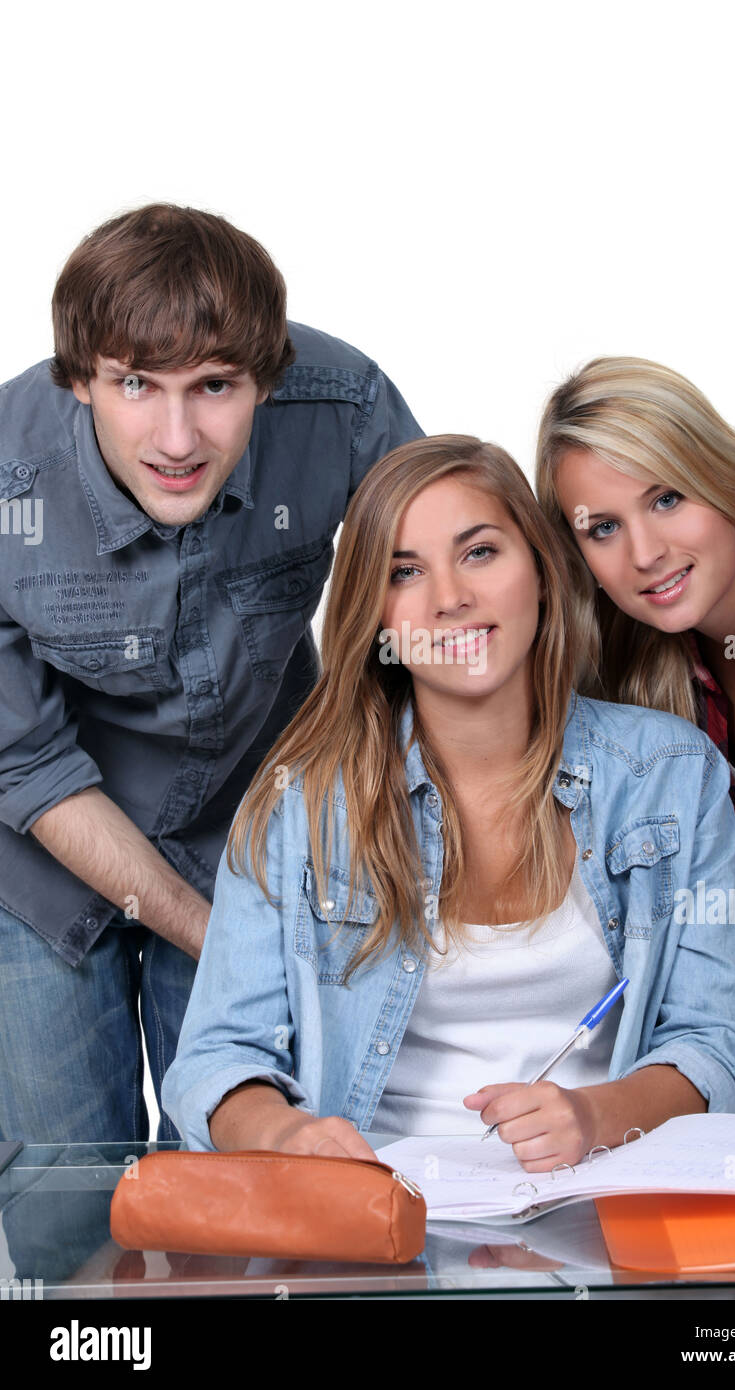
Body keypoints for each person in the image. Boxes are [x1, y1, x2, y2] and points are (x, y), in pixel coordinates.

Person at [162, 435, 735, 1169]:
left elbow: (718, 1042)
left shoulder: (669, 771)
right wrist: (286, 1136)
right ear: (377, 616)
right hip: (376, 1219)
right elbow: (215, 1061)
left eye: (480, 552)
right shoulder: (301, 801)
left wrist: (591, 1116)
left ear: (543, 571)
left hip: (609, 1200)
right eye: (406, 571)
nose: (451, 599)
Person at [0, 203, 421, 1145]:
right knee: (71, 1205)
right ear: (80, 379)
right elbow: (27, 767)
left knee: (254, 1189)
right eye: (136, 384)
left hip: (256, 832)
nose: (179, 438)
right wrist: (220, 937)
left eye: (216, 385)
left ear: (268, 380)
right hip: (38, 859)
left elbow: (442, 612)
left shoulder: (343, 408)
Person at [536, 355, 735, 1114]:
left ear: (721, 473)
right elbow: (669, 926)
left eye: (667, 498)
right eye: (604, 528)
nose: (645, 554)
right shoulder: (628, 667)